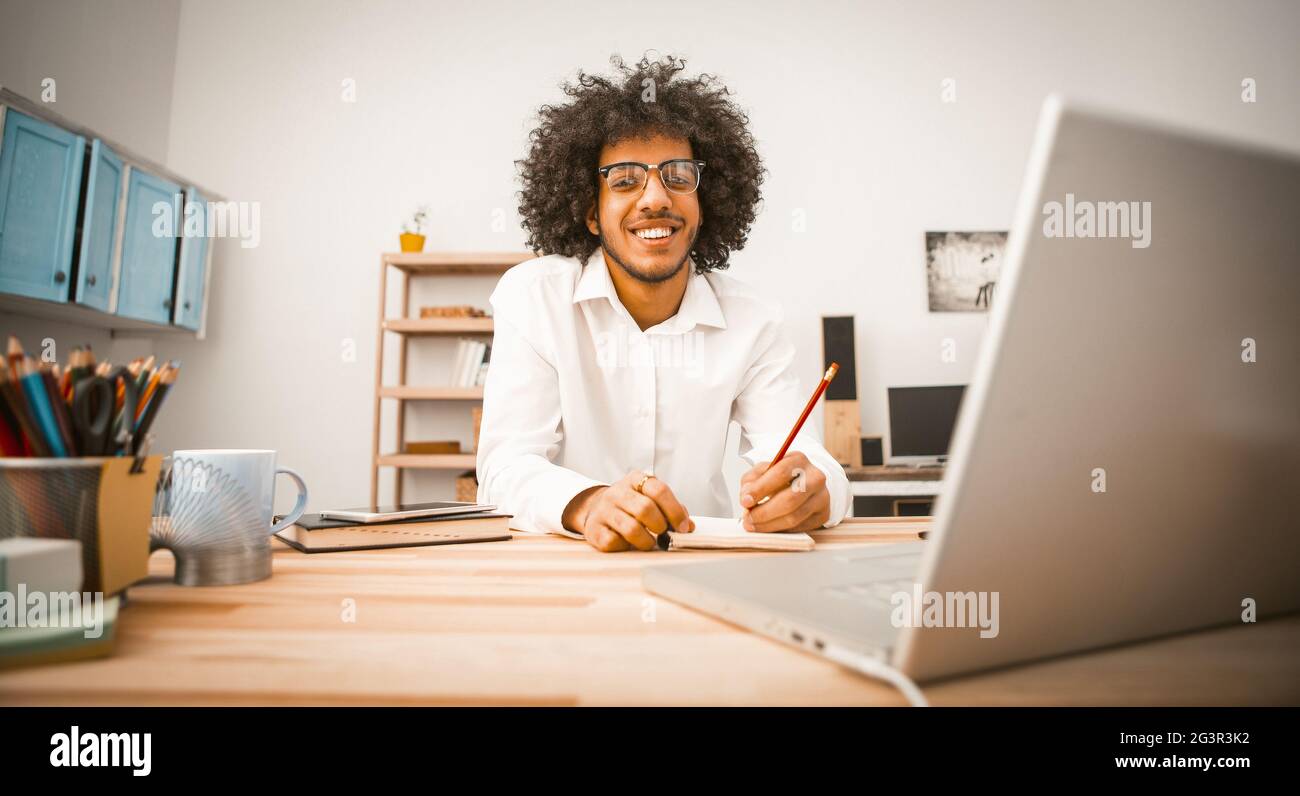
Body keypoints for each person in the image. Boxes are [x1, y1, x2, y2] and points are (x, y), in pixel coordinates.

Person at [476, 55, 850, 552]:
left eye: (677, 176)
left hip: (710, 572)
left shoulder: (752, 321)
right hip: (568, 575)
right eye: (625, 180)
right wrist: (588, 503)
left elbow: (810, 462)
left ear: (705, 200)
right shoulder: (535, 299)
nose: (655, 198)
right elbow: (504, 470)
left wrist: (812, 491)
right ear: (591, 212)